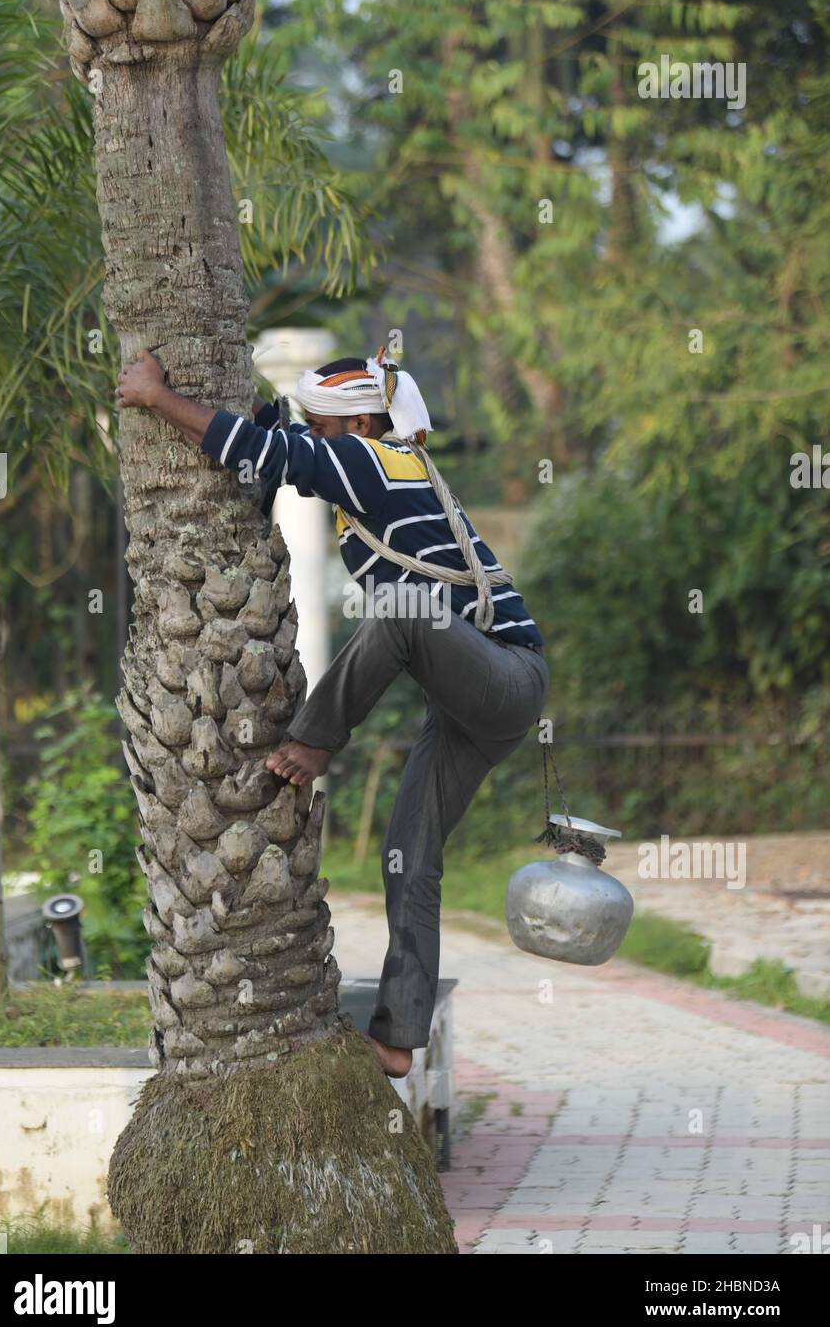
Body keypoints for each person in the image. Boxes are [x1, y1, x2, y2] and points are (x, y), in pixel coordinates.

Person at [116, 348, 549, 1077]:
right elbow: (270, 456)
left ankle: (317, 741)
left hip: (507, 676)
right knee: (408, 857)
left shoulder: (376, 460)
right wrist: (269, 428)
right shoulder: (373, 468)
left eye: (322, 428)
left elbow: (265, 453)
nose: (315, 441)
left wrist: (158, 397)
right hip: (468, 705)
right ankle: (398, 1038)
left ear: (358, 421)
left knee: (404, 608)